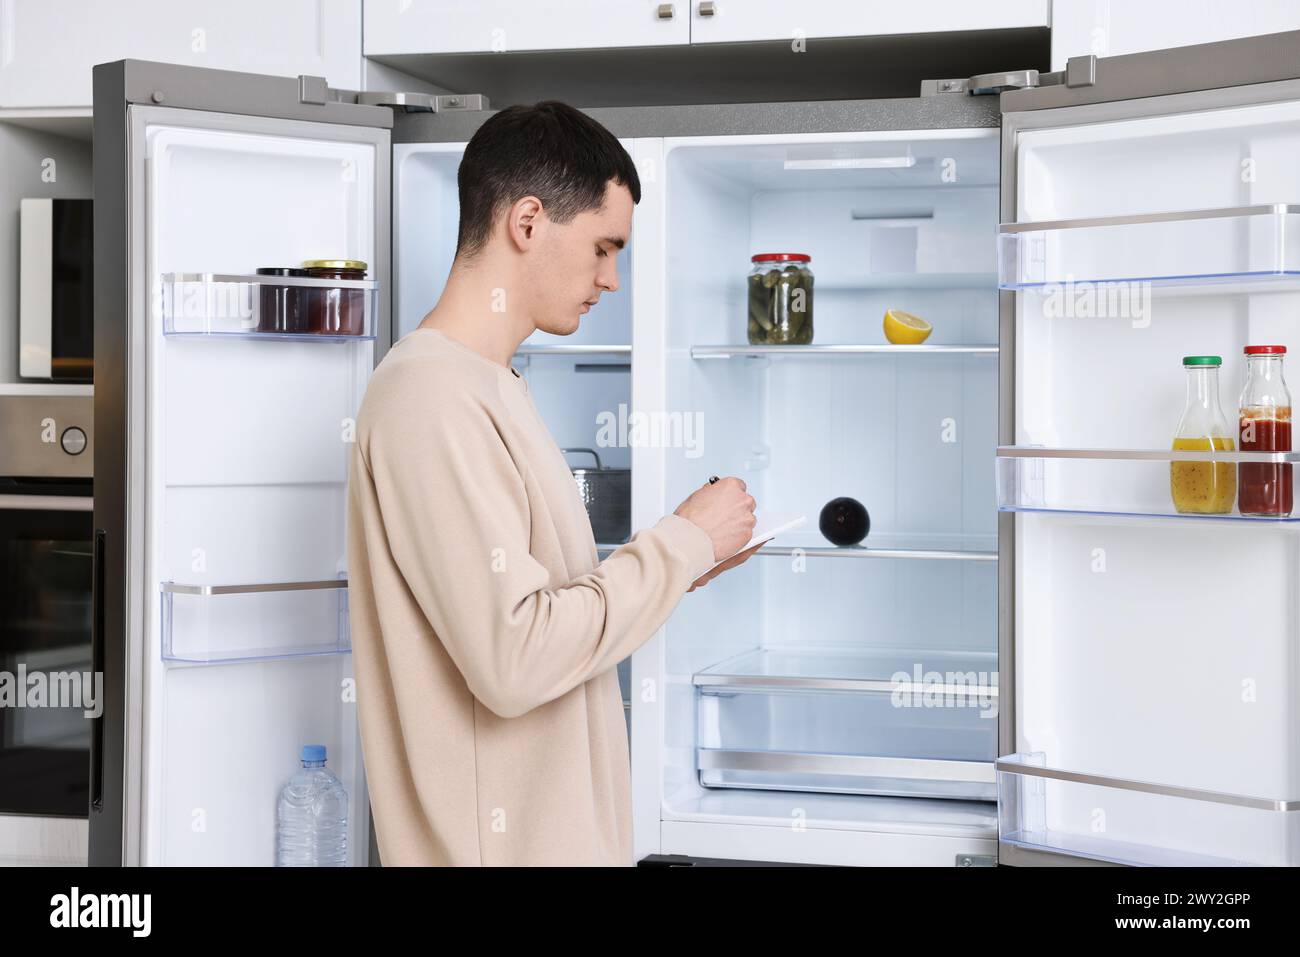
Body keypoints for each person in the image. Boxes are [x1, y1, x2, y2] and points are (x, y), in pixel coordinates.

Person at [346, 101, 759, 866]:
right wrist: (678, 546)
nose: (610, 278)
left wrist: (685, 561)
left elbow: (534, 607)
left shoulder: (490, 381)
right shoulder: (430, 395)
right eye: (604, 247)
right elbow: (516, 659)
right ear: (527, 221)